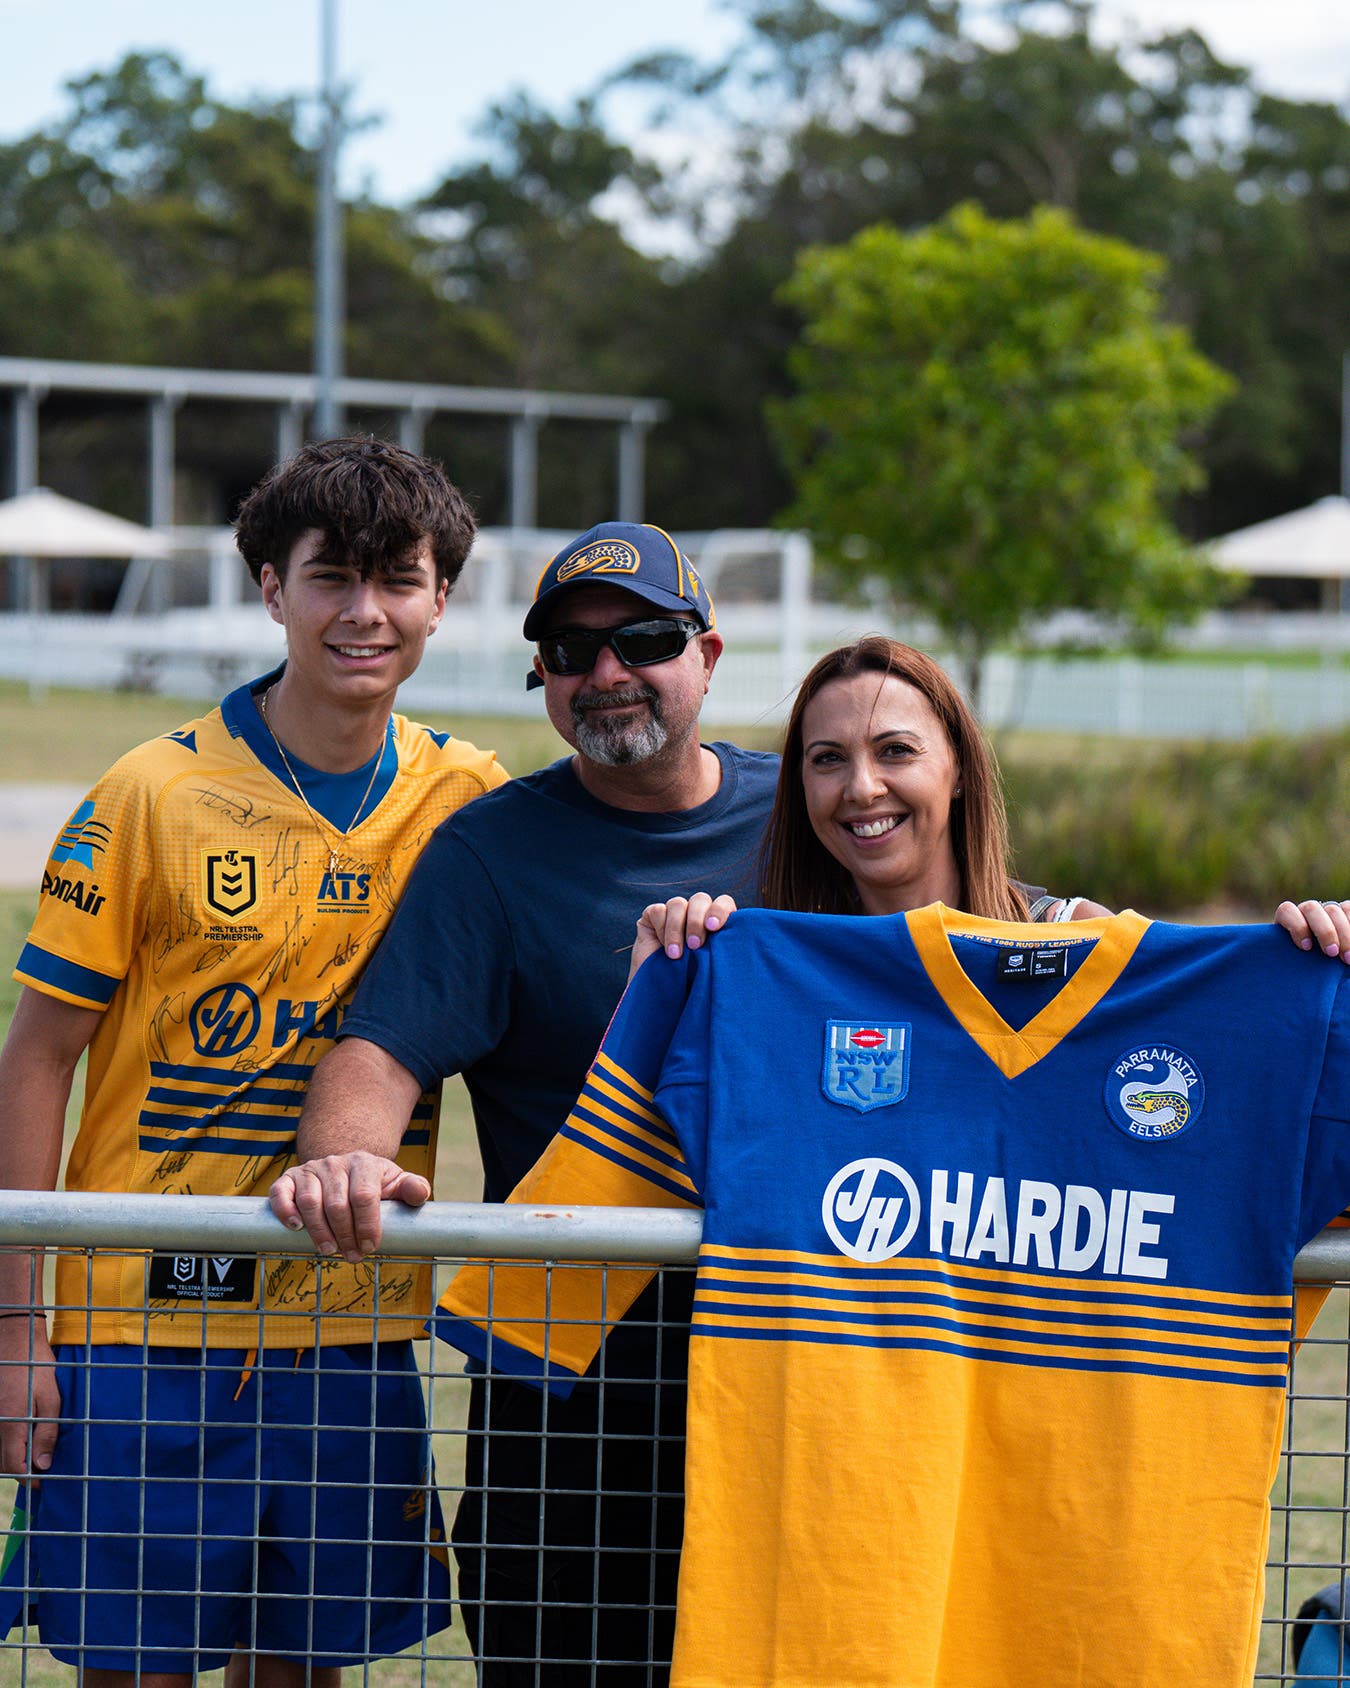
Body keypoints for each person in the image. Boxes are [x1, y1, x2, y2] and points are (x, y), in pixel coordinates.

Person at [433, 635, 1350, 1687]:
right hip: (842, 1576)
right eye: (825, 758)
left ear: (959, 764)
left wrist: (1320, 992)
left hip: (1100, 1603)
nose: (859, 784)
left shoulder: (1178, 995)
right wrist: (662, 992)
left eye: (894, 750)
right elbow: (539, 1292)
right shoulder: (756, 981)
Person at [0, 436, 506, 1688]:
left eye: (400, 578)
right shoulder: (150, 794)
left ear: (442, 597)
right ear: (270, 587)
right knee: (137, 1667)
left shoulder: (473, 801)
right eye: (330, 576)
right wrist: (16, 1328)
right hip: (148, 1323)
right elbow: (35, 1060)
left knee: (304, 1670)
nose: (365, 611)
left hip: (352, 1327)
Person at [269, 520, 782, 1684]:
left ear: (706, 653)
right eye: (569, 647)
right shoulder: (490, 851)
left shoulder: (807, 817)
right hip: (564, 1388)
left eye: (641, 639)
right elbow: (376, 1055)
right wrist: (344, 1159)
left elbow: (987, 937)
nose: (605, 672)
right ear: (540, 672)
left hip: (787, 1359)